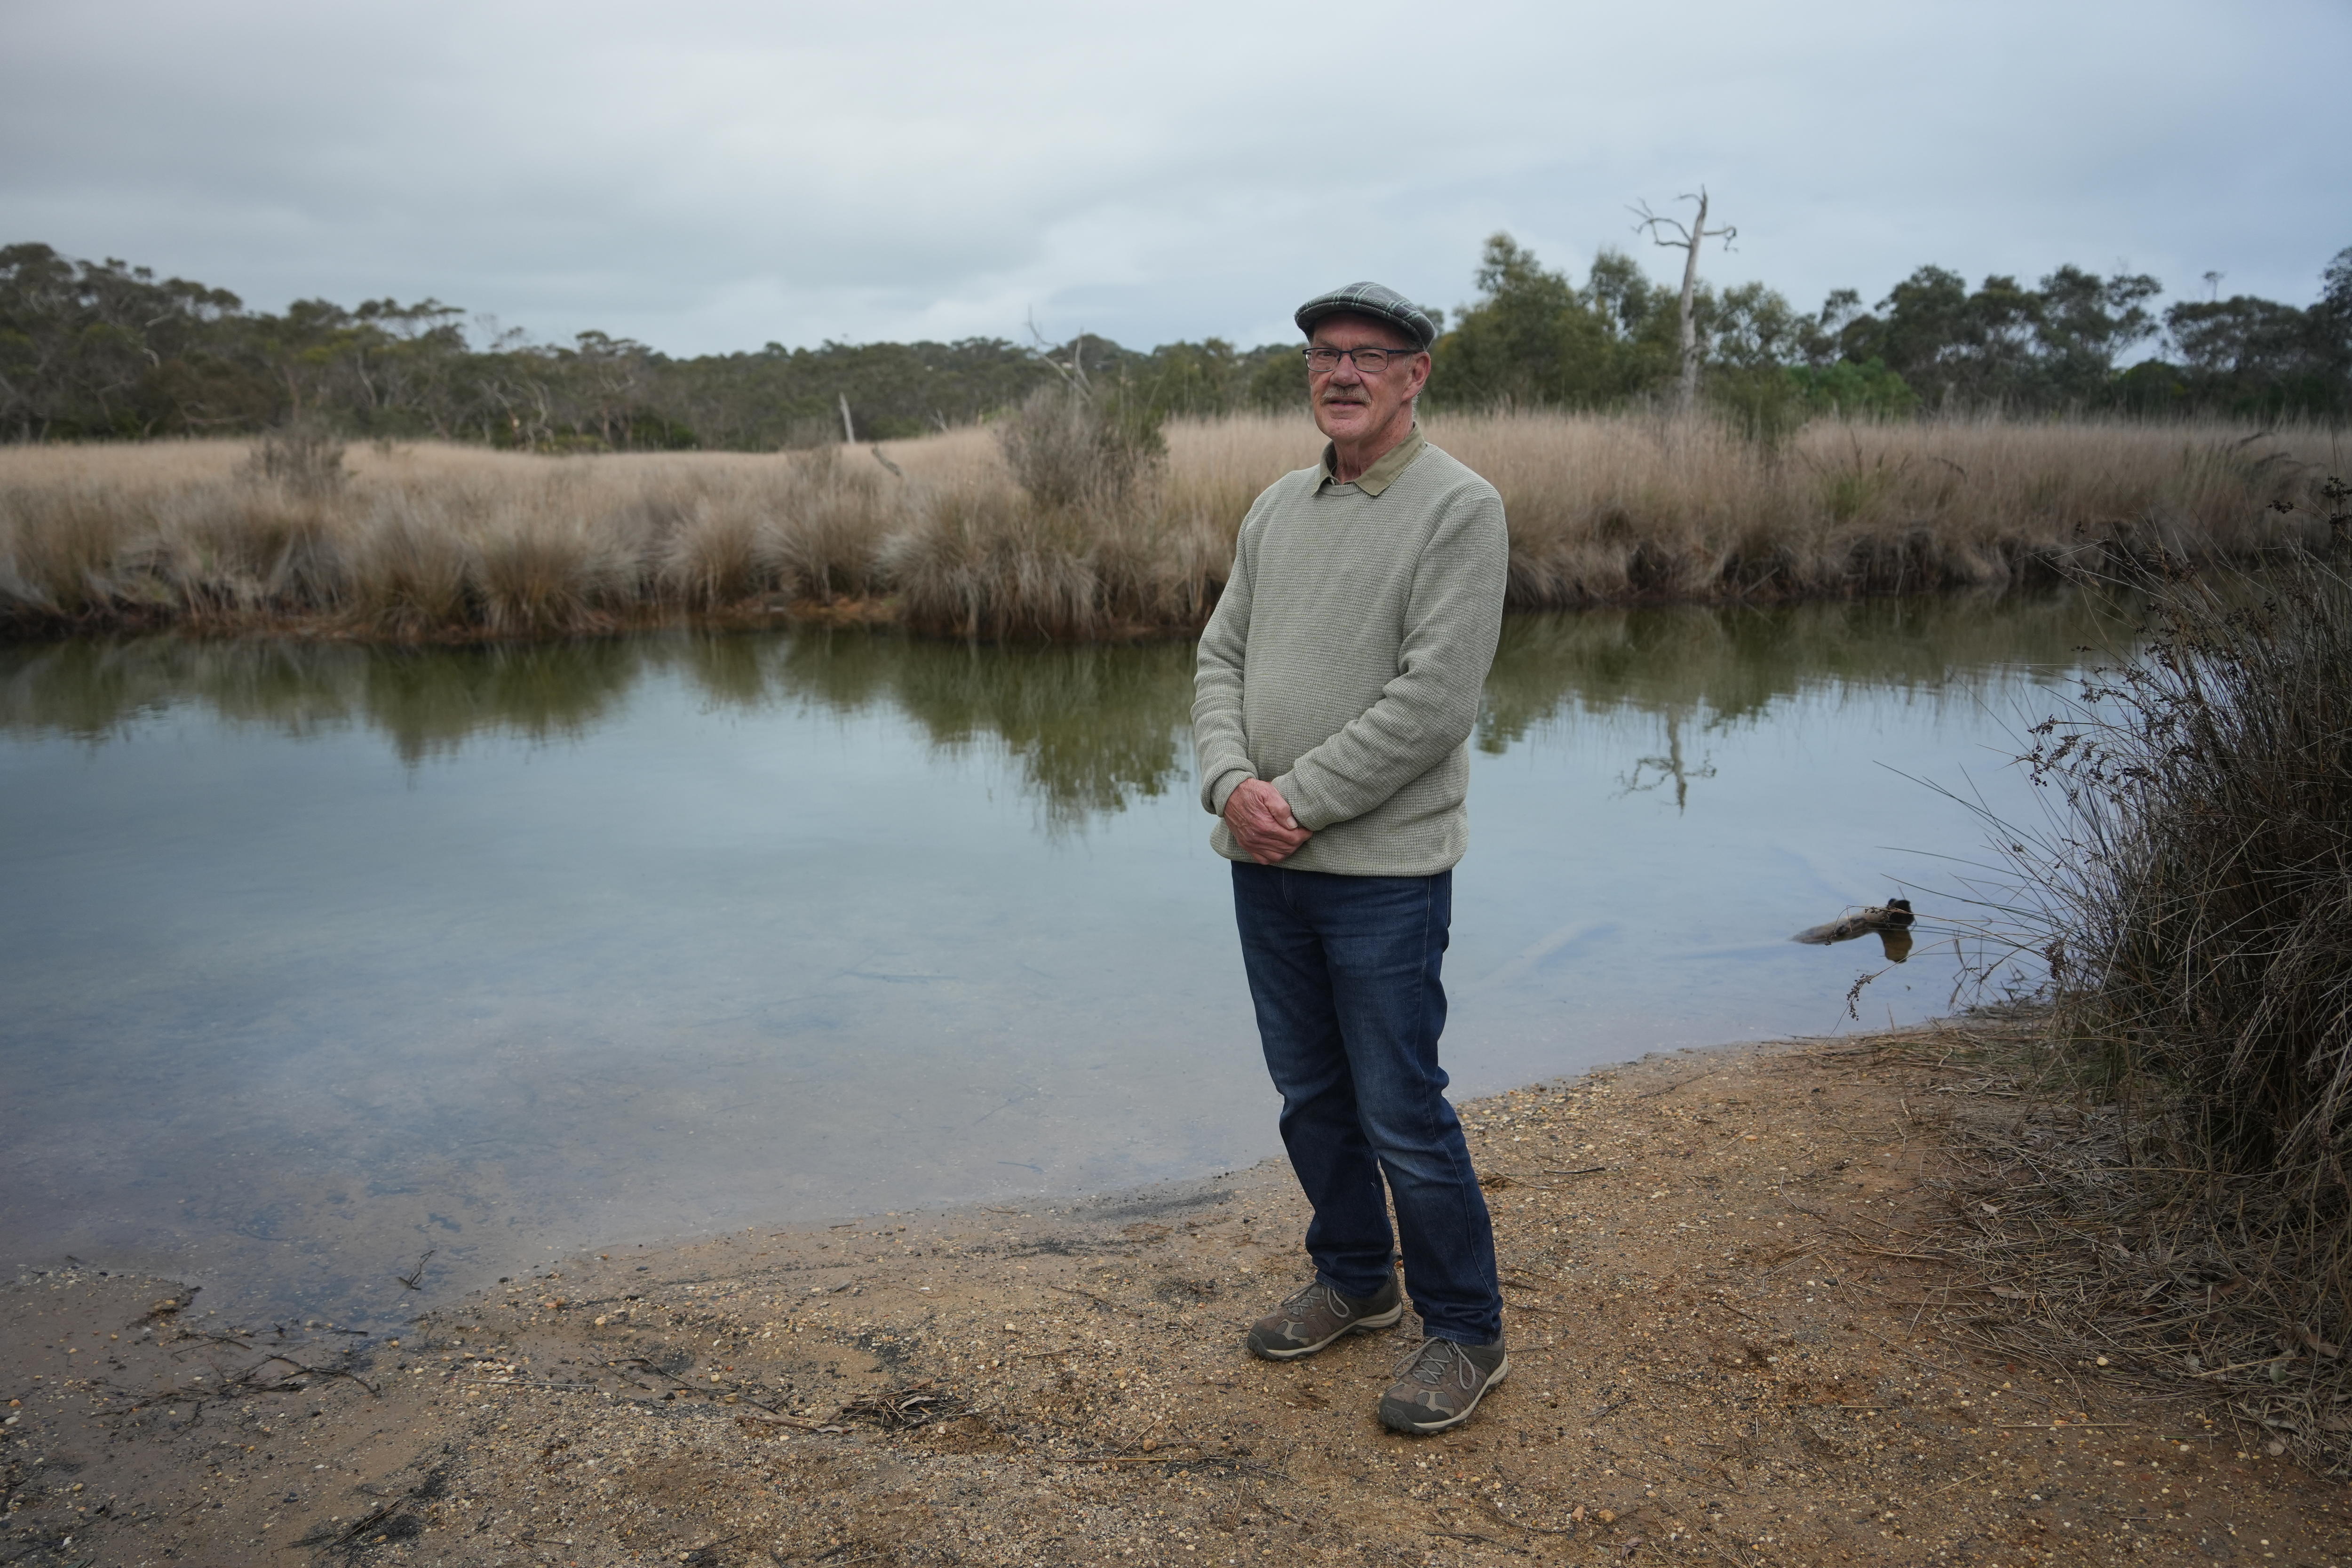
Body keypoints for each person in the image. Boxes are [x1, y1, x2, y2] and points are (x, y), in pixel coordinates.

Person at [1192, 281, 1510, 1434]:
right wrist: (1233, 787)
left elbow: (1433, 702)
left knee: (1399, 1106)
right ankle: (1356, 1276)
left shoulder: (1458, 508)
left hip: (1380, 872)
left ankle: (1466, 1328)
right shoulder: (1277, 505)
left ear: (1416, 373)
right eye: (1326, 354)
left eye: (1370, 356)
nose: (1342, 373)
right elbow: (1217, 655)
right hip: (1264, 859)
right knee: (1309, 1094)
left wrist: (1299, 801)